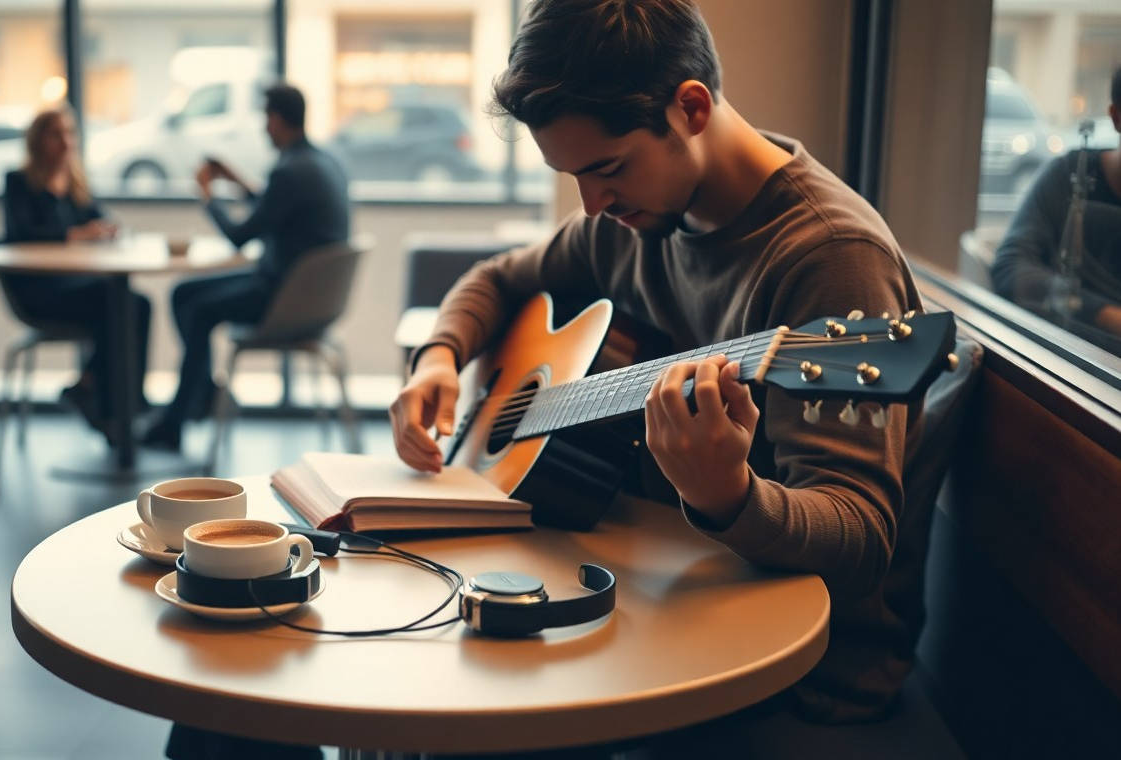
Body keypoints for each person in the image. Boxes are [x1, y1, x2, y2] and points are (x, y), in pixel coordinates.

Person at [390, 0, 935, 750]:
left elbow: (861, 534)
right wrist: (441, 357)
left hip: (786, 667)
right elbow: (495, 278)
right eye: (572, 176)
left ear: (691, 106)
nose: (593, 205)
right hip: (653, 589)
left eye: (607, 169)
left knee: (446, 712)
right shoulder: (631, 223)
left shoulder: (832, 261)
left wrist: (727, 496)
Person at [143, 84, 351, 451]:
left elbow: (241, 235)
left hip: (281, 297)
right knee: (184, 292)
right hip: (306, 294)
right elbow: (274, 208)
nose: (262, 128)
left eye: (264, 119)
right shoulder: (320, 162)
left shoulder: (289, 171)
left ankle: (175, 422)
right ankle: (203, 396)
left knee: (198, 307)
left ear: (276, 119)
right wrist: (236, 180)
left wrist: (207, 195)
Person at [0, 107, 151, 445]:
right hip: (40, 293)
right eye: (57, 134)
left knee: (137, 304)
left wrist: (106, 229)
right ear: (39, 141)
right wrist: (77, 234)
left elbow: (100, 219)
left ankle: (119, 400)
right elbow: (21, 233)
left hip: (76, 287)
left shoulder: (75, 183)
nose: (66, 141)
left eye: (70, 133)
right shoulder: (19, 182)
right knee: (116, 302)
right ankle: (110, 407)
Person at [991, 66, 1121, 354]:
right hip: (1062, 359)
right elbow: (1010, 269)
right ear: (1115, 117)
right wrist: (1105, 314)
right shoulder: (1069, 177)